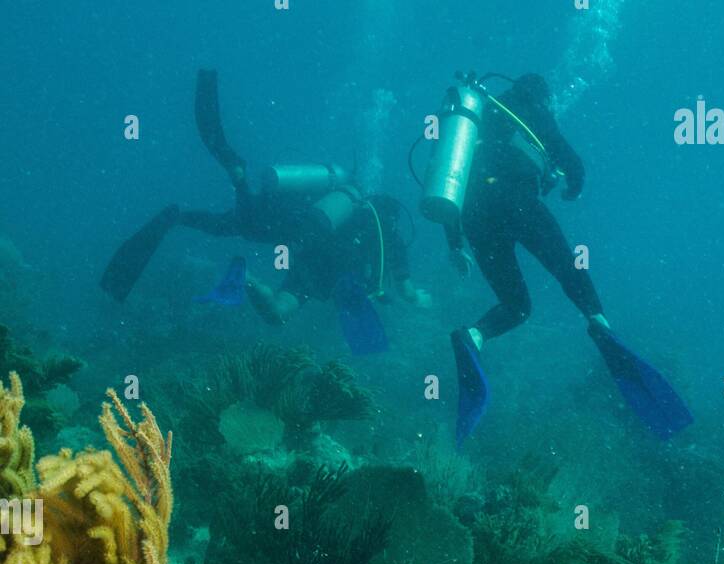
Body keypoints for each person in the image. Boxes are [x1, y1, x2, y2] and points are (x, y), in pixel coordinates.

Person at [426, 73, 691, 444]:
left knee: (516, 305)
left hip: (474, 216)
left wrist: (455, 245)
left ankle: (473, 335)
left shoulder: (477, 120)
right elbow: (569, 158)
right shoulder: (530, 107)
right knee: (569, 267)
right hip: (517, 201)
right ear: (543, 96)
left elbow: (449, 181)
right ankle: (598, 322)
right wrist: (574, 185)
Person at [101, 71, 426, 349]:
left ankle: (225, 190)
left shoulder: (344, 209)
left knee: (238, 230)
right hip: (309, 252)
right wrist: (418, 299)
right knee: (277, 309)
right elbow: (406, 288)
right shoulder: (386, 233)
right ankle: (239, 236)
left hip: (290, 225)